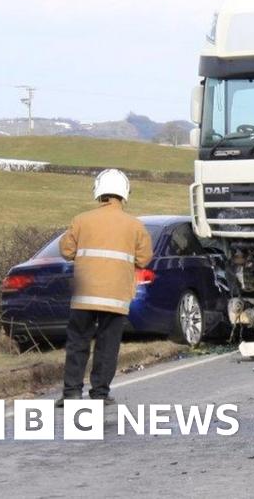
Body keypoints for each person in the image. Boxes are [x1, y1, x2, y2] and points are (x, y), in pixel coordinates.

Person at [57, 169, 152, 406]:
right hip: (116, 297)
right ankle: (99, 393)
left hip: (84, 295)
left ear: (98, 192)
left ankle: (71, 392)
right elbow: (144, 259)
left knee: (78, 342)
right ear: (124, 193)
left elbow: (66, 251)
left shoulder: (81, 220)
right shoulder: (135, 225)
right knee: (108, 345)